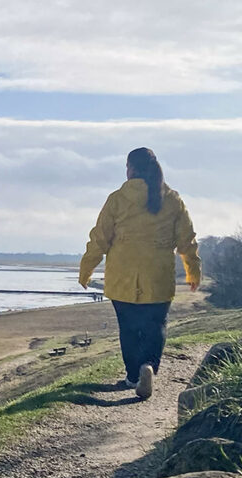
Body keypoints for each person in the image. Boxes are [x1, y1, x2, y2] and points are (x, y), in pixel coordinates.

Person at [78, 147, 200, 401]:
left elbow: (99, 238)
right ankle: (149, 367)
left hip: (122, 276)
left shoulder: (117, 199)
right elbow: (186, 241)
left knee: (129, 328)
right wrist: (193, 271)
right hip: (158, 275)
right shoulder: (172, 199)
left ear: (130, 169)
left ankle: (133, 376)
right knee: (156, 325)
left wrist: (87, 269)